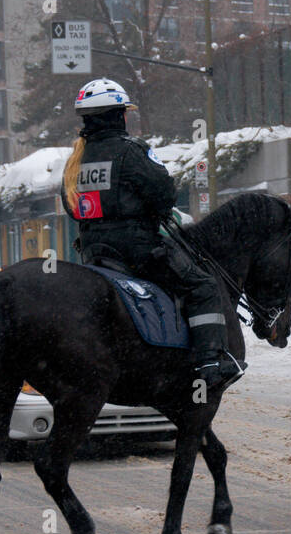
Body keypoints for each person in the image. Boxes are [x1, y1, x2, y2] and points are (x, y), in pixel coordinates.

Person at [60, 77, 242, 390]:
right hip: (137, 251)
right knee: (202, 285)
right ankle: (210, 362)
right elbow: (164, 194)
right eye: (124, 113)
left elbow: (71, 206)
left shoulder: (77, 160)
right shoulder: (131, 152)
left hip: (93, 251)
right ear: (119, 115)